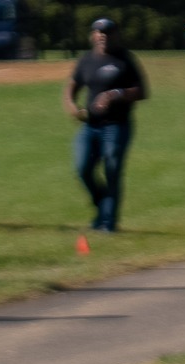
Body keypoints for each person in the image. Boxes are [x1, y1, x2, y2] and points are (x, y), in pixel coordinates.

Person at [64, 18, 146, 234]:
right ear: (93, 35)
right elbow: (72, 86)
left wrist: (115, 94)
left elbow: (142, 91)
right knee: (82, 169)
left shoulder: (125, 60)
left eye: (108, 32)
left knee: (112, 168)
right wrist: (72, 106)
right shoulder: (87, 60)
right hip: (90, 126)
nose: (103, 36)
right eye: (99, 32)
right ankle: (102, 206)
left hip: (116, 126)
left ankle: (109, 223)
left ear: (116, 35)